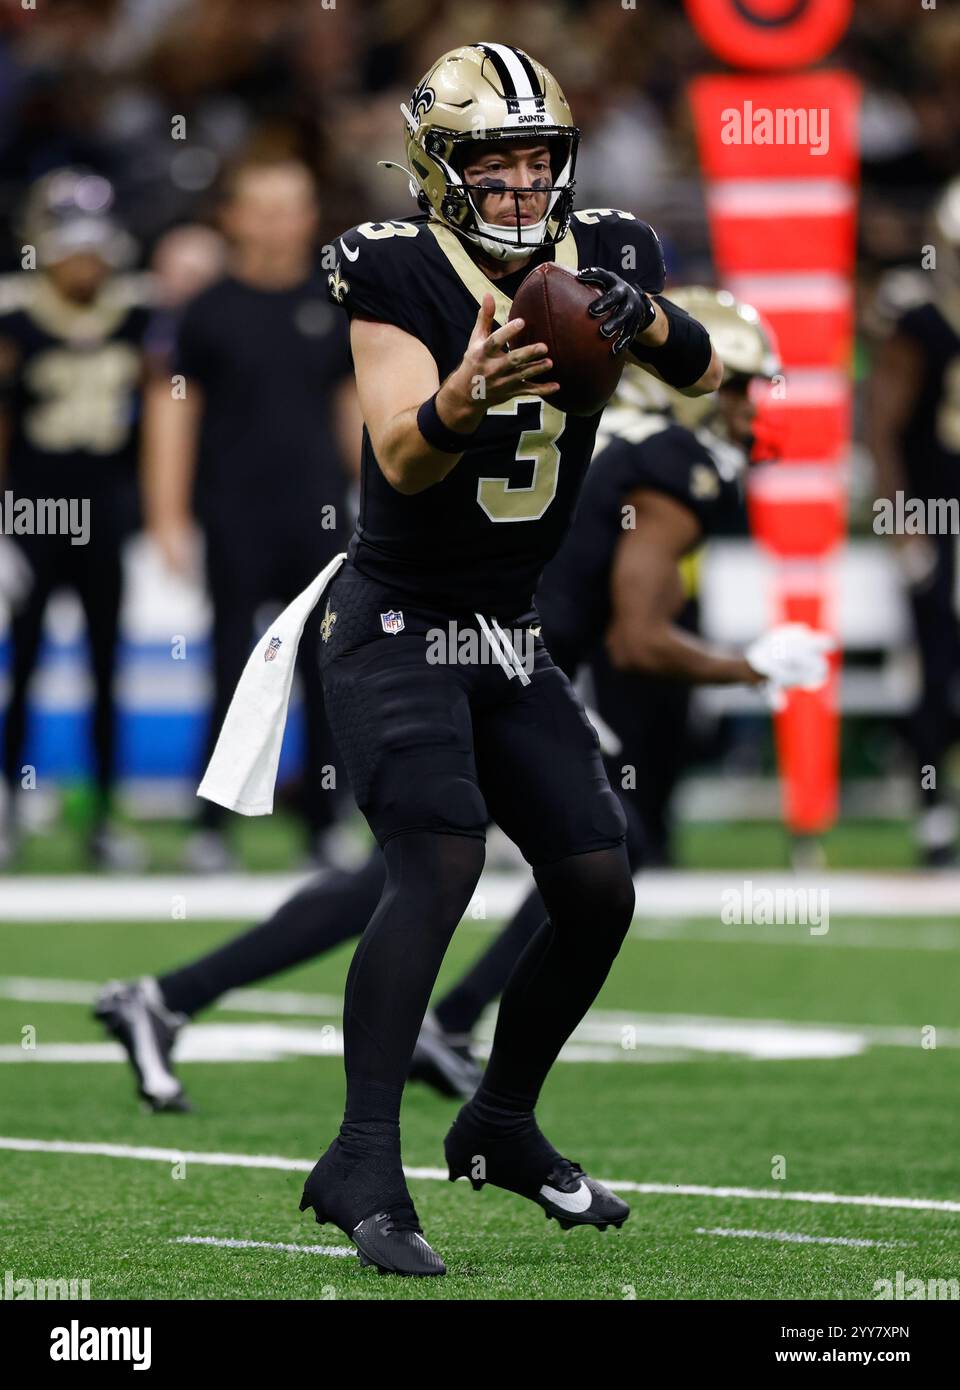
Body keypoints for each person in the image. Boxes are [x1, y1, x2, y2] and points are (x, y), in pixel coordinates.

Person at [94, 293, 830, 1123]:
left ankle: (190, 1000)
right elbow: (638, 638)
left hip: (451, 642)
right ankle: (411, 1027)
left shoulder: (593, 429)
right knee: (562, 852)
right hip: (472, 655)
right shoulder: (668, 460)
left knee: (434, 867)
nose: (741, 406)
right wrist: (748, 667)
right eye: (734, 387)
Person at [278, 41, 721, 1277]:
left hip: (507, 629)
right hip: (398, 619)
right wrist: (466, 396)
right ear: (438, 166)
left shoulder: (613, 252)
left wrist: (653, 321)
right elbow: (405, 458)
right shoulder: (394, 268)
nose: (524, 182)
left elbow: (712, 368)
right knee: (439, 859)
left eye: (540, 158)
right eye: (496, 159)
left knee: (596, 884)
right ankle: (362, 1155)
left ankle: (501, 1122)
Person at [143, 155, 360, 872]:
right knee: (231, 669)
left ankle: (325, 823)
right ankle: (212, 827)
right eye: (259, 206)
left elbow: (351, 412)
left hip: (320, 517)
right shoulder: (206, 312)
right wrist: (168, 515)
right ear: (231, 217)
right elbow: (173, 413)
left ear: (309, 217)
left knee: (327, 670)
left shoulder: (334, 304)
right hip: (234, 515)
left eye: (289, 205)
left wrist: (382, 500)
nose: (275, 221)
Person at [0, 168, 148, 870]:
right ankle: (6, 803)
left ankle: (103, 817)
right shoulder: (15, 317)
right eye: (70, 248)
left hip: (107, 515)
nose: (84, 262)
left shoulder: (136, 312)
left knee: (104, 667)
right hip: (31, 515)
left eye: (93, 248)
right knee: (22, 665)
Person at [867, 178, 960, 866]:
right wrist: (903, 522)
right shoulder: (921, 315)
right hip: (938, 515)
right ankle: (933, 811)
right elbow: (883, 427)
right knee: (937, 664)